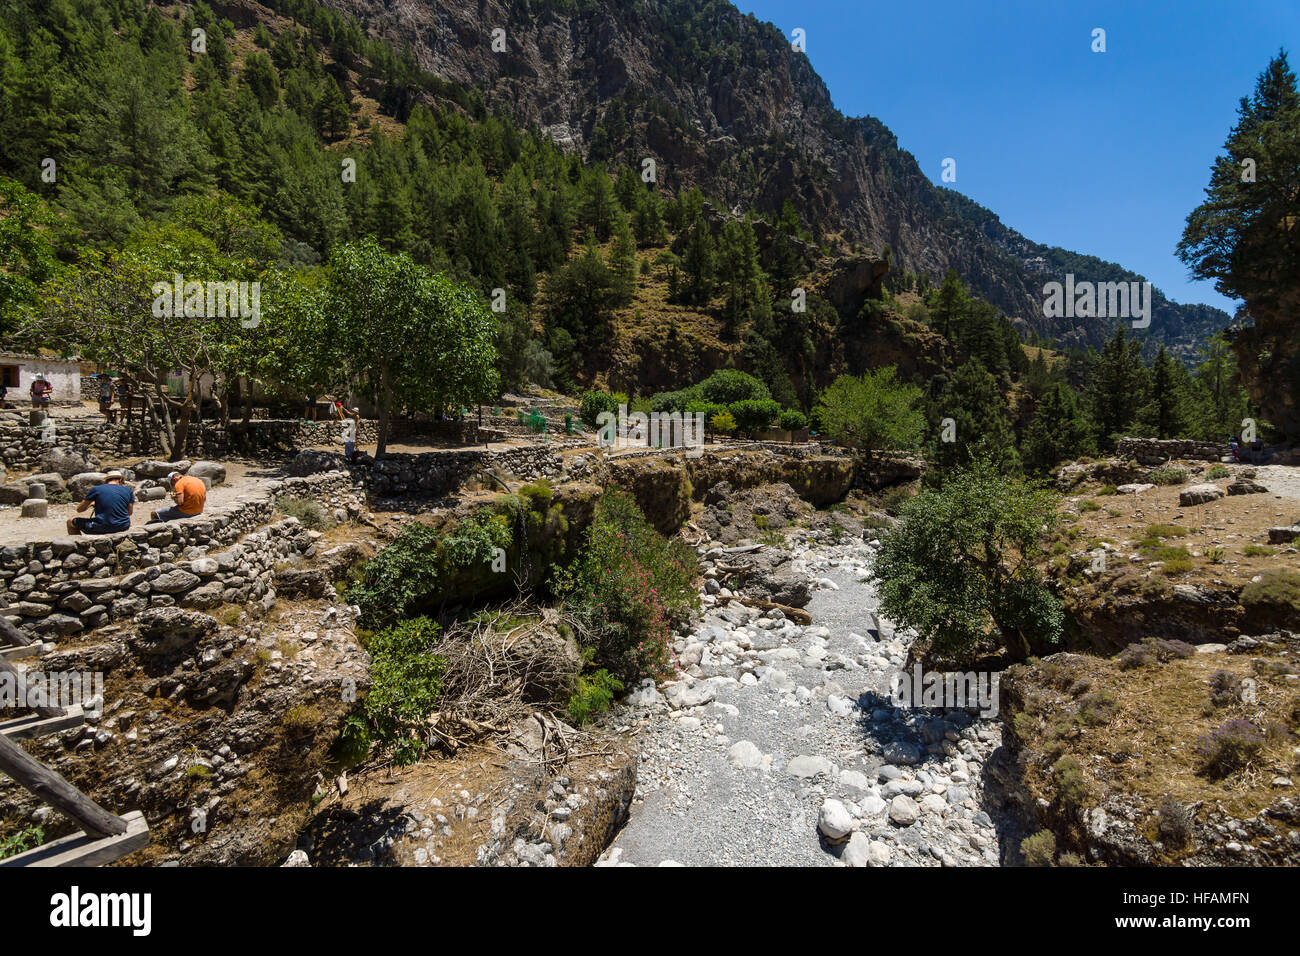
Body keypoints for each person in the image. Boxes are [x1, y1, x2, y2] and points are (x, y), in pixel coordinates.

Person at [68, 471, 134, 536]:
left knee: (70, 522)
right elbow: (130, 512)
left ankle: (79, 546)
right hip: (123, 526)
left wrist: (91, 504)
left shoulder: (97, 489)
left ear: (106, 480)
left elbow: (79, 509)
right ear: (120, 480)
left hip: (102, 527)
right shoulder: (128, 491)